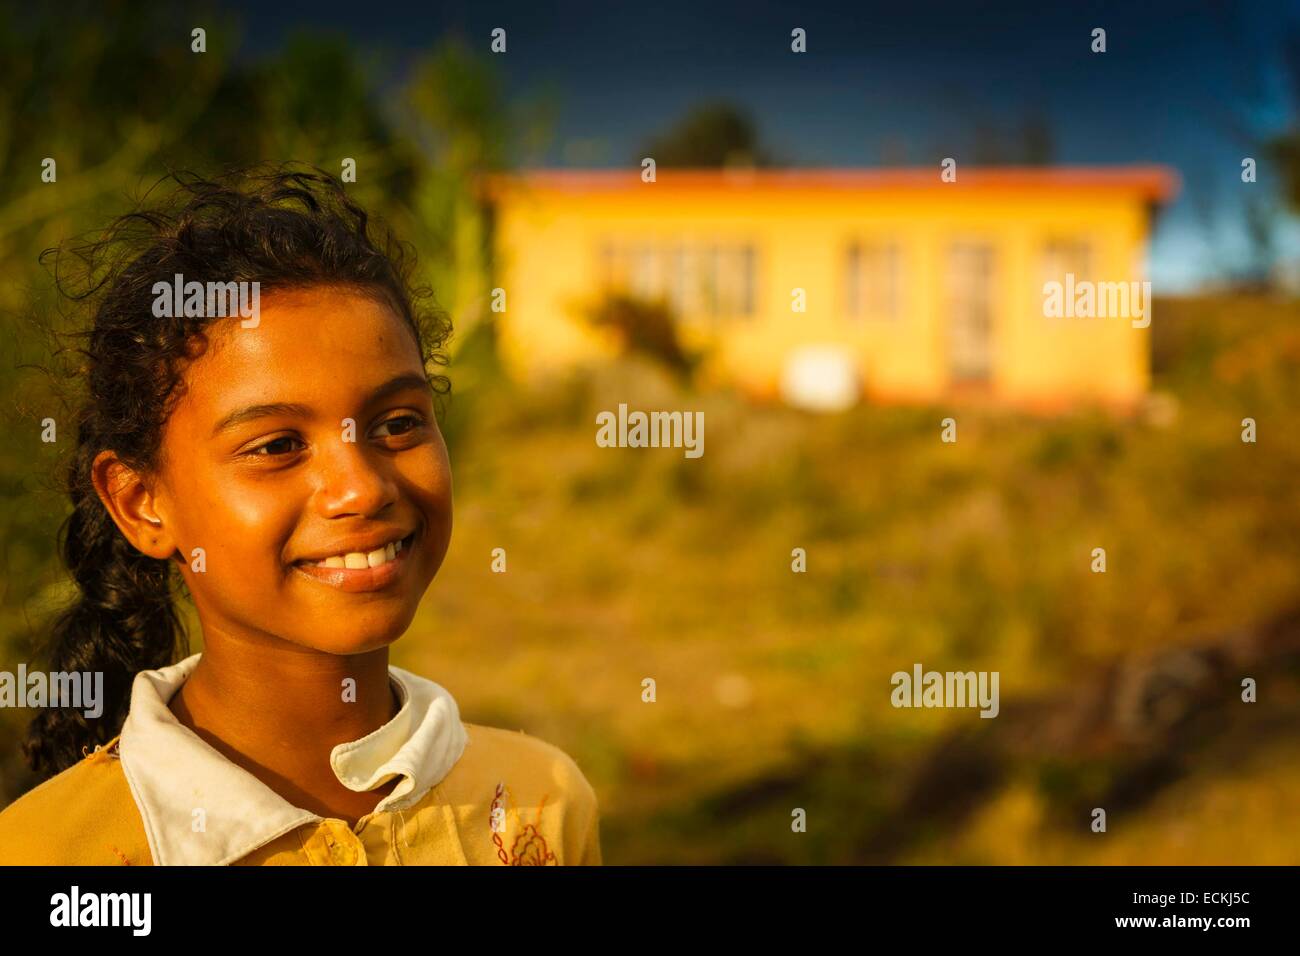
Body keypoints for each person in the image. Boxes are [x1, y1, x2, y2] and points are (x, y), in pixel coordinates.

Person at [0, 166, 601, 865]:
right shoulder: (46, 855)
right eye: (278, 446)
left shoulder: (541, 803)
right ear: (141, 503)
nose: (362, 488)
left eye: (397, 423)